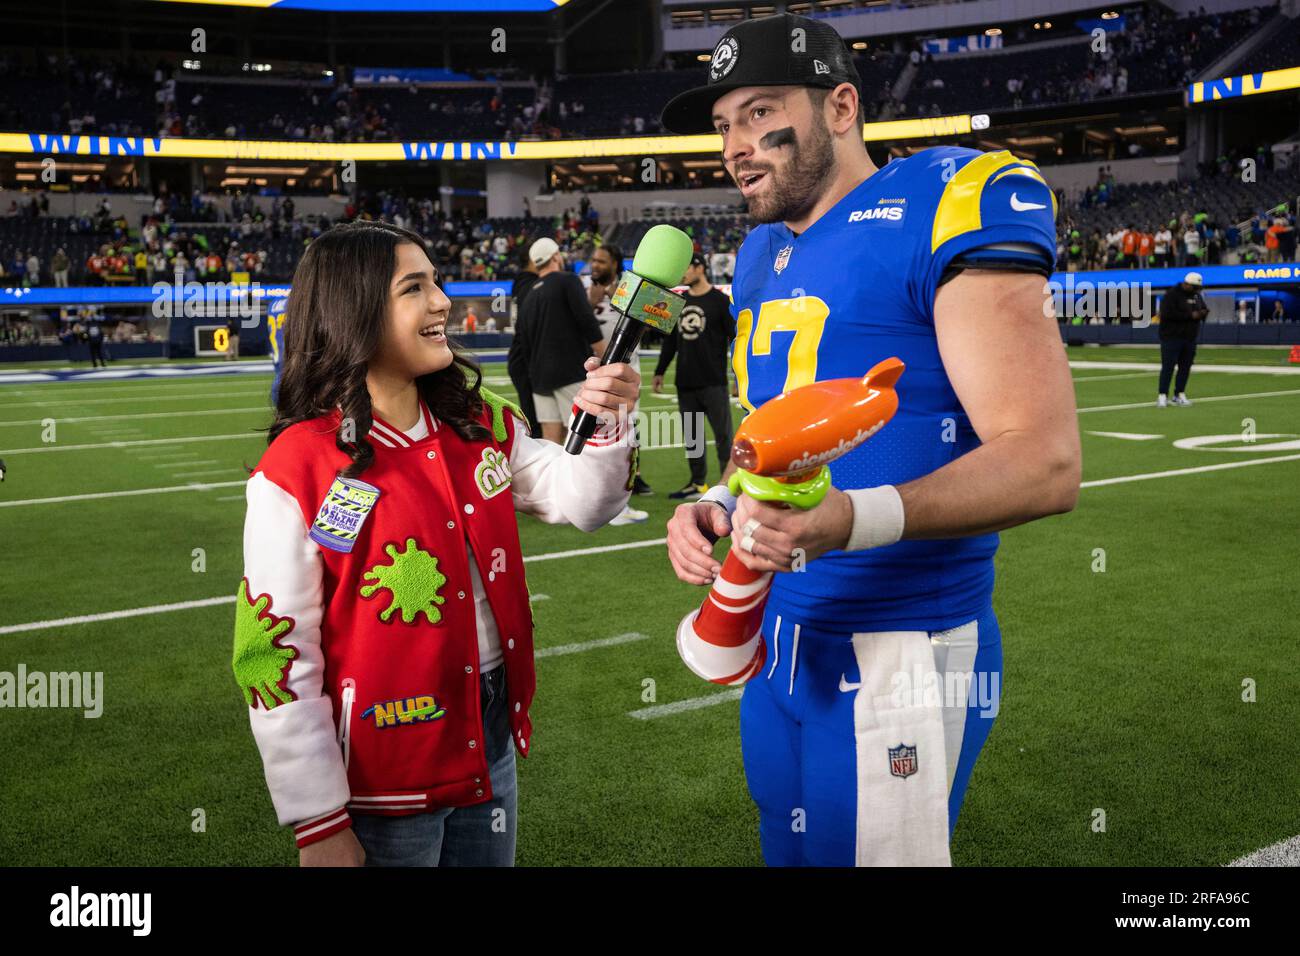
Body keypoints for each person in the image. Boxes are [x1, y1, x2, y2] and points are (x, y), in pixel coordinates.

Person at [660, 13, 1080, 867]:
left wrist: (852, 520)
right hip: (780, 635)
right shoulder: (759, 252)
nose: (735, 145)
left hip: (900, 648)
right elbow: (777, 436)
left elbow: (1043, 461)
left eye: (758, 113)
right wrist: (714, 501)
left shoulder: (949, 201)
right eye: (722, 125)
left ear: (842, 106)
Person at [234, 221, 639, 867]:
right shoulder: (297, 467)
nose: (443, 301)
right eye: (414, 288)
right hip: (378, 765)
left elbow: (585, 502)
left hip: (489, 730)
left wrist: (608, 417)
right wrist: (317, 821)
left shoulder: (478, 422)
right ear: (354, 311)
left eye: (438, 282)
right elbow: (273, 654)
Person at [653, 253, 736, 500]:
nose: (683, 273)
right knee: (694, 437)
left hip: (714, 381)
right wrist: (659, 371)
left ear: (700, 268)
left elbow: (734, 341)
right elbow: (670, 342)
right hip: (685, 381)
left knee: (723, 438)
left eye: (686, 268)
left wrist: (737, 377)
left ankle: (728, 486)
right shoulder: (678, 302)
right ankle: (697, 483)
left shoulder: (720, 302)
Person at [512, 237, 607, 446]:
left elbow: (524, 342)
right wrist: (607, 358)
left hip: (539, 378)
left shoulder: (528, 295)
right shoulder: (568, 280)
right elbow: (587, 322)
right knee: (585, 437)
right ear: (555, 256)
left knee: (551, 441)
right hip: (570, 372)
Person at [588, 243, 653, 501]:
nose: (595, 265)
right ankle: (596, 478)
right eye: (593, 260)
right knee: (595, 422)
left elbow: (648, 325)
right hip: (592, 366)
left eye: (601, 261)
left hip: (626, 365)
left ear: (614, 264)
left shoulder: (630, 287)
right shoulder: (583, 287)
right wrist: (588, 302)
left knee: (628, 422)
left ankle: (632, 476)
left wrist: (619, 298)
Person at [1156, 271, 1208, 407]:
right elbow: (1168, 314)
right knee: (1168, 367)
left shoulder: (1196, 295)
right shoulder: (1172, 295)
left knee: (1185, 367)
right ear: (1187, 284)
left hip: (1189, 337)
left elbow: (1203, 309)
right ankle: (1162, 394)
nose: (1196, 290)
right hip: (1172, 337)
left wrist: (1202, 313)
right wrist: (1191, 315)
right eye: (1194, 287)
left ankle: (1179, 393)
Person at [507, 249, 542, 436]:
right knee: (535, 420)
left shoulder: (522, 282)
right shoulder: (530, 284)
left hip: (520, 356)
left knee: (535, 416)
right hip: (524, 357)